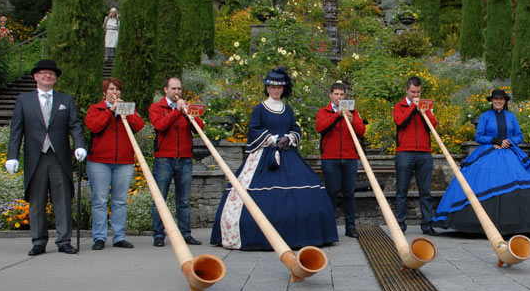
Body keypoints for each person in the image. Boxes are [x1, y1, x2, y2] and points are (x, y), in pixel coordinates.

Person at [210, 68, 338, 249]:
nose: (276, 90)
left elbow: (295, 128)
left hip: (289, 154)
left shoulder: (287, 110)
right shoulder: (260, 109)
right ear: (267, 88)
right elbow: (254, 129)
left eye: (279, 87)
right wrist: (272, 139)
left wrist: (291, 138)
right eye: (272, 87)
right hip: (264, 155)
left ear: (283, 89)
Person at [432, 89, 530, 235]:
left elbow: (520, 136)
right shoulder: (485, 116)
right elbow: (479, 136)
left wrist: (508, 142)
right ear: (492, 101)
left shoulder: (511, 116)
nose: (498, 101)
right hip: (489, 151)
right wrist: (494, 140)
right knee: (483, 180)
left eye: (501, 99)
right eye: (496, 99)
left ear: (505, 101)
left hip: (509, 153)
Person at [6, 59, 86, 256]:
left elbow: (74, 125)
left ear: (55, 78)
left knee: (63, 200)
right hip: (36, 157)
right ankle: (39, 241)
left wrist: (80, 146)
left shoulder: (65, 100)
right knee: (37, 200)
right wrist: (12, 156)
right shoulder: (24, 101)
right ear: (35, 76)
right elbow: (16, 130)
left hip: (59, 157)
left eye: (51, 74)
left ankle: (64, 240)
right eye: (43, 73)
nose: (47, 76)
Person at [85, 77, 145, 250]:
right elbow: (94, 126)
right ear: (105, 92)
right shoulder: (95, 108)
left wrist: (126, 112)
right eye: (111, 89)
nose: (115, 93)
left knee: (120, 201)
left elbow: (139, 125)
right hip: (99, 162)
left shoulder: (127, 108)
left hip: (124, 162)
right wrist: (110, 111)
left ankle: (119, 237)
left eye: (117, 90)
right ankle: (99, 237)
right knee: (100, 201)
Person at [148, 76, 204, 247]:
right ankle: (159, 235)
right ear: (166, 90)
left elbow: (200, 128)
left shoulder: (186, 108)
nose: (177, 92)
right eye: (173, 89)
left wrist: (188, 113)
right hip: (164, 158)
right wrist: (176, 112)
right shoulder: (156, 107)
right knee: (160, 199)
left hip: (185, 158)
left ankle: (185, 234)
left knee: (184, 200)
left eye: (179, 89)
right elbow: (160, 125)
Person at [316, 82, 366, 238]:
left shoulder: (353, 111)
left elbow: (361, 130)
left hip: (350, 157)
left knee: (349, 193)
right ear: (331, 95)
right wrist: (336, 115)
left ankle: (350, 227)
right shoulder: (324, 111)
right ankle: (330, 228)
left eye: (341, 94)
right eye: (336, 94)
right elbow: (320, 127)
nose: (339, 97)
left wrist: (352, 120)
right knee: (331, 193)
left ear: (345, 96)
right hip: (330, 158)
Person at [392, 77, 438, 236]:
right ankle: (400, 226)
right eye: (413, 92)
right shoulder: (399, 106)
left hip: (424, 153)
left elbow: (433, 126)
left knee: (425, 192)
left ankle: (427, 225)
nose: (416, 95)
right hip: (404, 153)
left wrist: (425, 112)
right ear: (406, 90)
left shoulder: (426, 106)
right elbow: (400, 121)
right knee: (402, 191)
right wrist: (413, 107)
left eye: (418, 92)